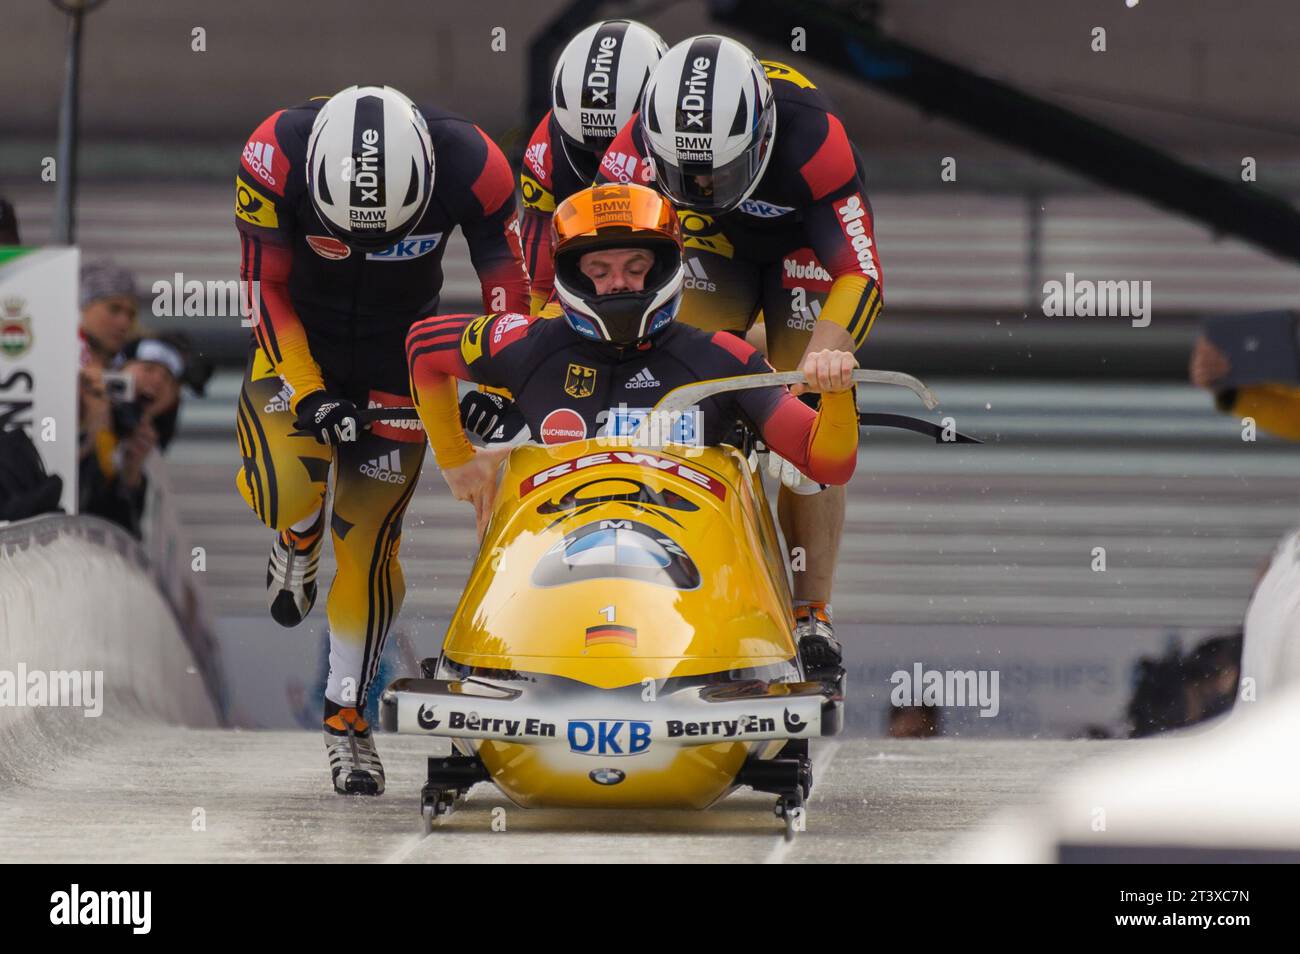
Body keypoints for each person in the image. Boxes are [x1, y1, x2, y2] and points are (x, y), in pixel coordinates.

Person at [407, 183, 860, 679]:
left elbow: (825, 460)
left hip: (692, 593)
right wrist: (455, 461)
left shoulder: (723, 359)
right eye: (598, 272)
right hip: (554, 576)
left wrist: (834, 394)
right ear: (571, 275)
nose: (617, 284)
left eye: (635, 267)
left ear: (664, 267)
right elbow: (424, 347)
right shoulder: (527, 345)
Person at [232, 84, 530, 795]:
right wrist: (308, 393)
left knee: (368, 542)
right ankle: (296, 535)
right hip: (299, 343)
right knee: (286, 482)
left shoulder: (476, 164)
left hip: (403, 359)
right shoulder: (274, 153)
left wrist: (495, 379)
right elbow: (263, 289)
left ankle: (345, 719)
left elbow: (507, 290)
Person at [593, 36, 885, 672]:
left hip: (802, 251)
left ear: (757, 139)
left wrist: (826, 359)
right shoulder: (632, 149)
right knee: (677, 382)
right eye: (684, 172)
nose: (700, 184)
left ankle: (812, 614)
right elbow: (603, 265)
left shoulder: (816, 142)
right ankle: (667, 572)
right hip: (703, 245)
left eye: (716, 172)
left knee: (811, 416)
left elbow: (860, 276)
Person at [518, 18, 668, 315]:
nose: (607, 159)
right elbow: (537, 271)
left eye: (620, 142)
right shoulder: (545, 147)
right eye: (592, 149)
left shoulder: (681, 145)